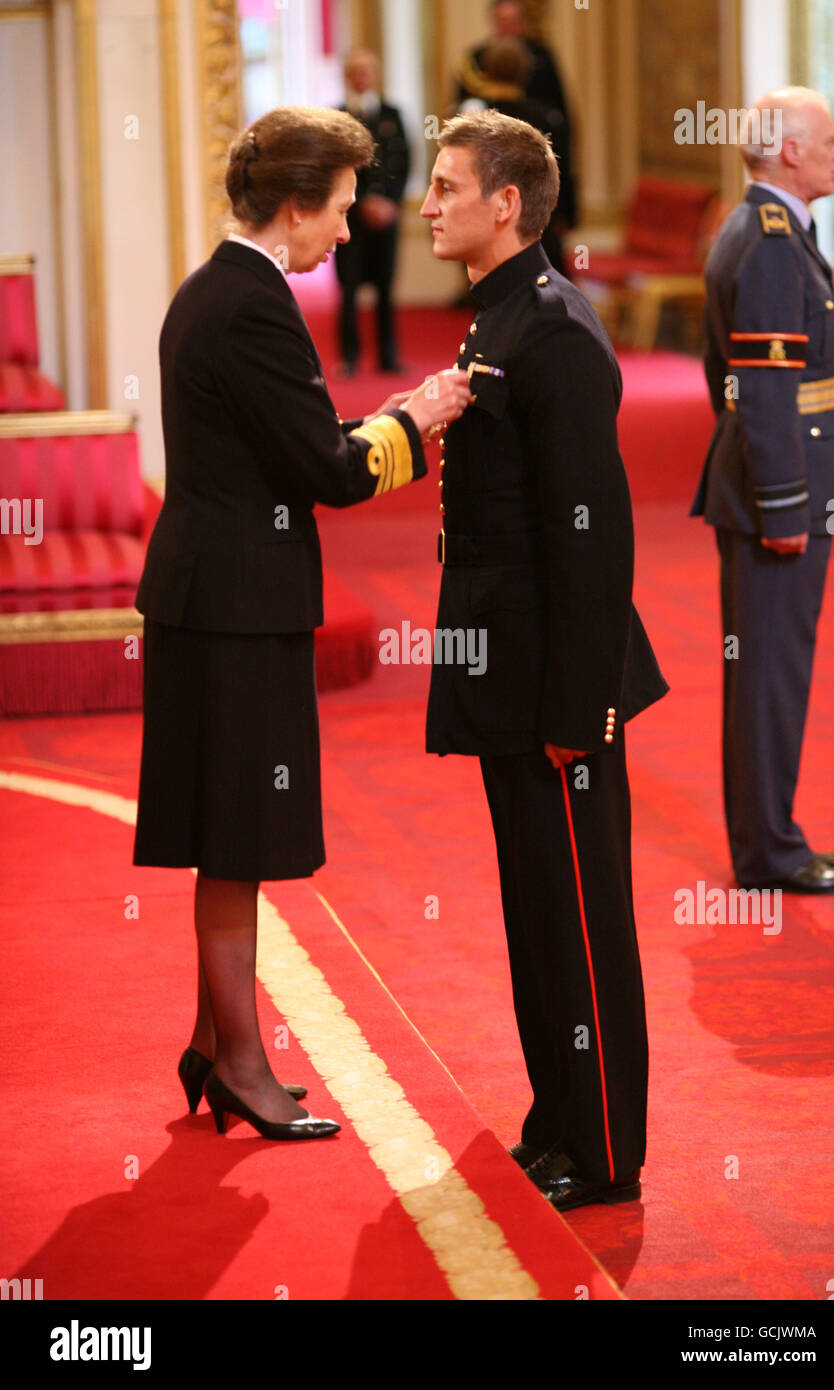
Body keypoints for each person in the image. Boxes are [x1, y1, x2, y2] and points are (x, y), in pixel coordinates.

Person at [133, 106, 471, 1142]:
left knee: (223, 832)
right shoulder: (255, 305)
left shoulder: (215, 288)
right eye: (335, 211)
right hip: (235, 605)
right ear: (291, 207)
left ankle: (213, 1038)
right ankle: (239, 1058)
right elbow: (324, 470)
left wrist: (386, 424)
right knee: (236, 835)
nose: (345, 231)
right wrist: (413, 422)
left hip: (210, 595)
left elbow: (288, 445)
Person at [420, 111, 668, 1210]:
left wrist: (580, 704)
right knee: (537, 911)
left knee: (578, 914)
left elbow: (590, 537)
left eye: (444, 186)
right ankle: (556, 1118)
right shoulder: (497, 322)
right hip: (507, 674)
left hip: (553, 684)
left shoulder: (552, 330)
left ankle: (605, 1146)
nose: (428, 205)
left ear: (504, 203)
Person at [691, 87, 834, 895]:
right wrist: (787, 504)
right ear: (791, 152)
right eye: (829, 142)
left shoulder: (759, 228)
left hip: (773, 485)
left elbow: (724, 379)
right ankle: (771, 853)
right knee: (769, 678)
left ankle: (772, 840)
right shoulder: (767, 242)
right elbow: (759, 388)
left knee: (769, 673)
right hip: (778, 499)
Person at [456, 37, 575, 275]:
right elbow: (564, 173)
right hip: (537, 226)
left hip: (485, 224)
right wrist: (567, 217)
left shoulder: (470, 119)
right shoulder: (548, 118)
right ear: (525, 73)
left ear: (486, 70)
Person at [455, 0, 579, 228]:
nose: (507, 27)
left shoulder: (542, 56)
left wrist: (565, 211)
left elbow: (562, 125)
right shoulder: (475, 59)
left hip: (534, 192)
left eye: (513, 21)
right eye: (502, 20)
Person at [335, 49, 410, 375]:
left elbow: (404, 161)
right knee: (348, 288)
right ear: (347, 77)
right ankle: (350, 357)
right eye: (355, 71)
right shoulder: (338, 117)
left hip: (387, 217)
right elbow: (338, 167)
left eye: (367, 71)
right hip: (352, 217)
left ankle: (388, 356)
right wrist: (362, 201)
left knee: (385, 288)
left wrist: (389, 202)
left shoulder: (393, 114)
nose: (362, 77)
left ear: (376, 75)